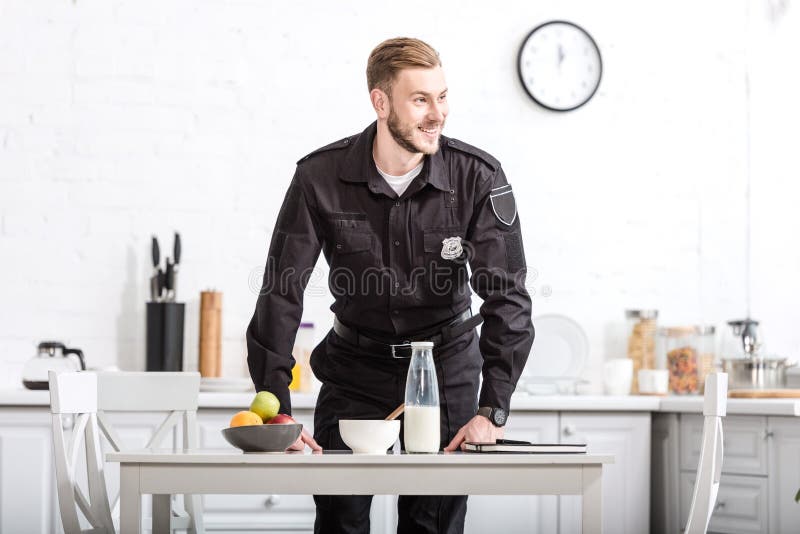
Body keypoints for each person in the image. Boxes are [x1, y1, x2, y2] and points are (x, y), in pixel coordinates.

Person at [246, 37, 534, 534]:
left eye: (442, 97)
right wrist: (276, 413)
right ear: (380, 102)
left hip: (446, 372)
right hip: (354, 371)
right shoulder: (318, 177)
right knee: (340, 521)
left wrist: (493, 410)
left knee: (432, 525)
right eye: (420, 99)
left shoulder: (478, 176)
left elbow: (507, 298)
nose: (437, 114)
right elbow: (281, 293)